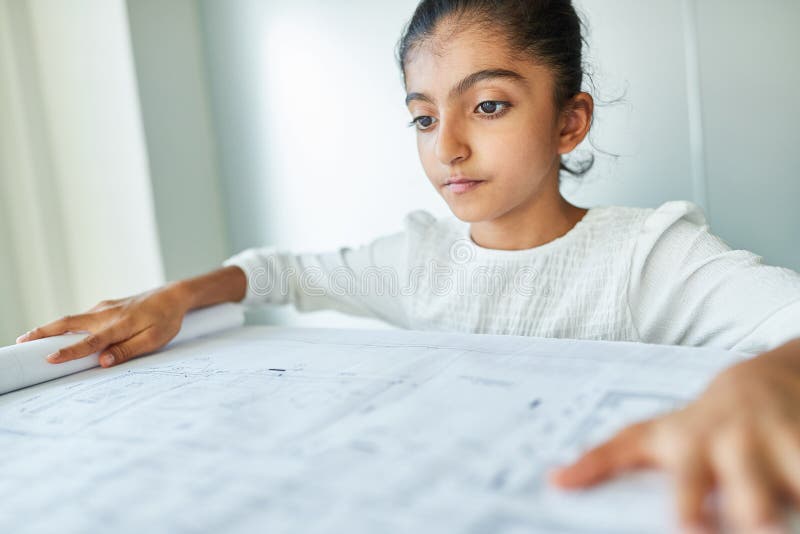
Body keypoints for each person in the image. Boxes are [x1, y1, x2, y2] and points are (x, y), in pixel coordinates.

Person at [15, 0, 800, 531]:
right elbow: (279, 272)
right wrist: (176, 296)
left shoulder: (646, 257)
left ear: (569, 121)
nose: (447, 146)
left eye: (487, 105)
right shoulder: (420, 259)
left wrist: (761, 379)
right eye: (424, 117)